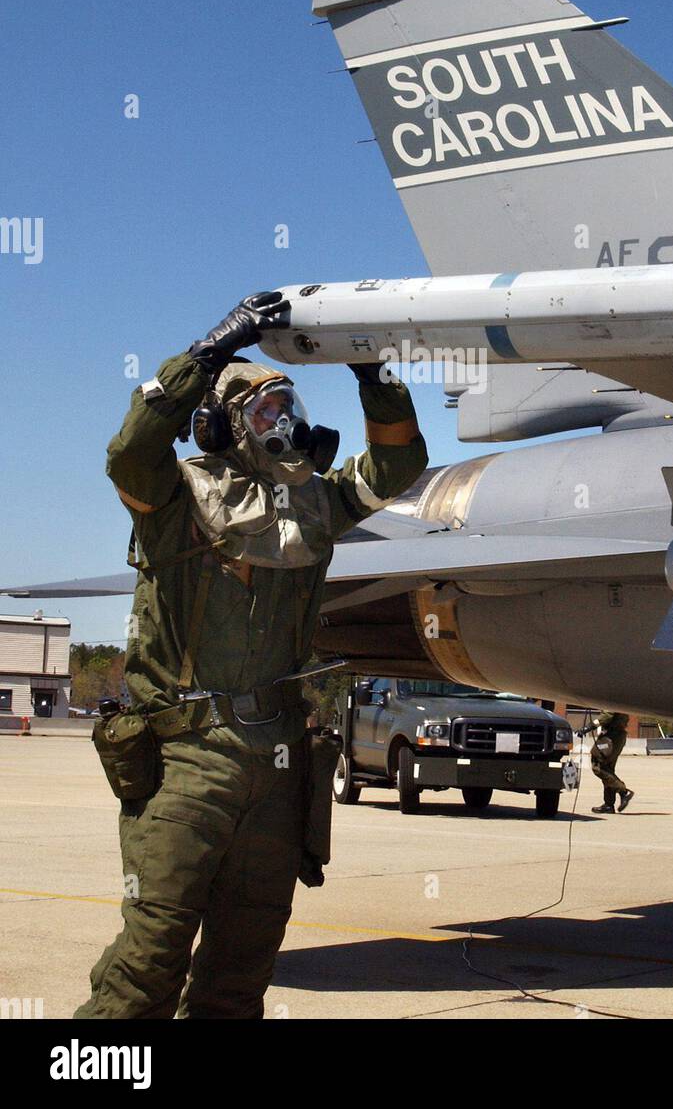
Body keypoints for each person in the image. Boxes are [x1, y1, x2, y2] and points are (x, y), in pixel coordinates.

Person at [75, 292, 428, 1019]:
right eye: (264, 413)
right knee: (148, 964)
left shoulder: (314, 505)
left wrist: (371, 372)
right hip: (186, 760)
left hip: (279, 761)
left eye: (287, 406)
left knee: (241, 971)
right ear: (223, 426)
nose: (285, 423)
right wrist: (205, 354)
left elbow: (399, 464)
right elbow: (131, 451)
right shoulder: (175, 499)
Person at [577, 711, 634, 814]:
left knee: (598, 765)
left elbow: (607, 716)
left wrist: (588, 727)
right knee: (608, 769)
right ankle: (609, 804)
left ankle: (623, 791)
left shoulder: (611, 697)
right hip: (617, 736)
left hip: (611, 737)